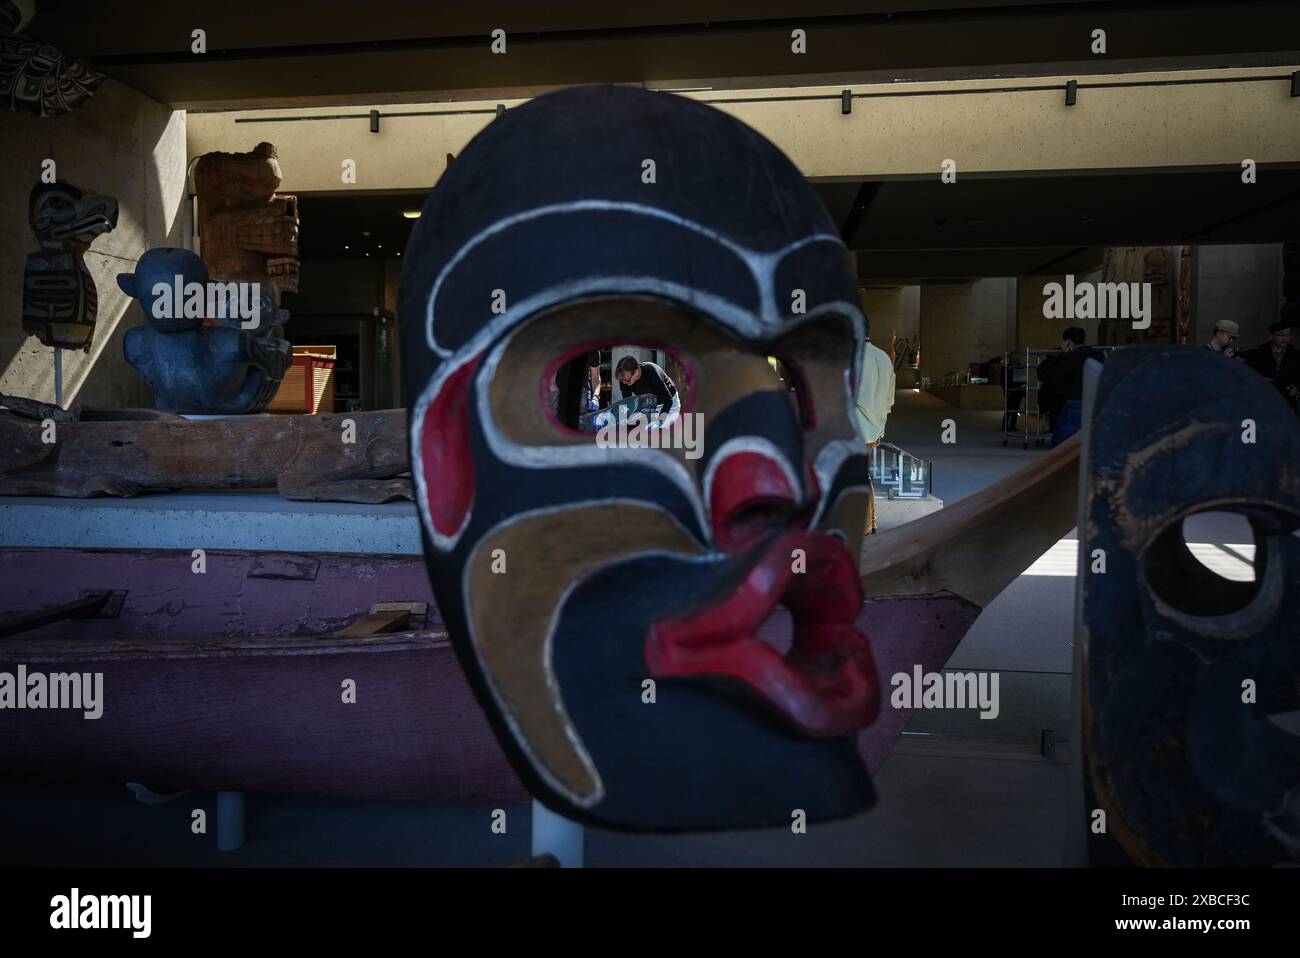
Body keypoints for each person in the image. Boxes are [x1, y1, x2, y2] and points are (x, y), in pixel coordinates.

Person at [855, 337, 896, 536]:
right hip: (872, 432)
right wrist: (879, 430)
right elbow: (889, 401)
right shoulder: (884, 358)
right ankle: (870, 524)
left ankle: (863, 527)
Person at [1041, 327, 1105, 447]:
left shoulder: (1069, 357)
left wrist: (1063, 355)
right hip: (1095, 402)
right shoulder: (1098, 355)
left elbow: (1056, 379)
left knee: (1058, 442)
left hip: (1076, 402)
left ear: (1068, 342)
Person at [1242, 320, 1300, 414]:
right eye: (1281, 335)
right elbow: (1247, 373)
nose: (1285, 338)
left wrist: (1297, 386)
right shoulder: (1258, 354)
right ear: (1271, 336)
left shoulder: (1296, 355)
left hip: (1287, 400)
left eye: (1288, 335)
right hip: (1265, 398)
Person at [616, 355, 678, 422]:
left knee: (661, 428)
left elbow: (668, 401)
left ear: (636, 372)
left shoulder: (651, 372)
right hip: (651, 402)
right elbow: (627, 402)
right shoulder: (624, 378)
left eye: (627, 380)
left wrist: (660, 422)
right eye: (622, 380)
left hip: (669, 401)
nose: (624, 383)